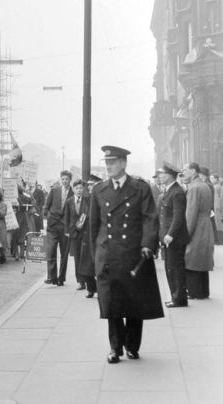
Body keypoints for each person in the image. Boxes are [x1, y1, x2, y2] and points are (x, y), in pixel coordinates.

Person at [90, 146, 163, 364]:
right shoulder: (99, 190)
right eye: (107, 162)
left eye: (112, 162)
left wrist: (148, 244)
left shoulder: (140, 188)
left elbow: (150, 218)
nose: (108, 166)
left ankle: (132, 345)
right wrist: (96, 256)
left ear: (123, 163)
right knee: (110, 303)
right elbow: (94, 226)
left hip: (133, 254)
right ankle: (115, 348)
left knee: (134, 302)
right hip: (109, 255)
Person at [156, 162, 189, 308]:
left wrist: (170, 234)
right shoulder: (170, 191)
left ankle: (179, 299)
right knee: (171, 268)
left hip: (174, 238)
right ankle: (175, 297)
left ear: (170, 175)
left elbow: (178, 216)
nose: (160, 176)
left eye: (162, 174)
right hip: (169, 238)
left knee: (175, 269)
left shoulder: (177, 192)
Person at [181, 162, 214, 299]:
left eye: (185, 170)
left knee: (192, 257)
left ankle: (194, 291)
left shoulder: (194, 188)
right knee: (202, 258)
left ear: (193, 171)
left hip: (197, 225)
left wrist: (185, 235)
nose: (183, 173)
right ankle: (203, 291)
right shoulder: (204, 185)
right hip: (206, 224)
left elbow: (191, 213)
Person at [43, 170, 73, 286]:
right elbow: (46, 206)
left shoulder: (73, 193)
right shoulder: (54, 190)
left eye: (67, 179)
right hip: (53, 226)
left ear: (70, 179)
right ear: (61, 179)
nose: (65, 181)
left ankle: (61, 278)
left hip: (65, 228)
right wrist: (48, 216)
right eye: (63, 179)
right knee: (51, 251)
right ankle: (51, 277)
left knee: (64, 254)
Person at [63, 179, 89, 291]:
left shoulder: (87, 200)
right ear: (73, 189)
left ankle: (88, 280)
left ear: (83, 190)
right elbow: (66, 217)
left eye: (81, 188)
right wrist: (67, 231)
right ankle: (80, 281)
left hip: (85, 232)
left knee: (85, 257)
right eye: (77, 188)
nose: (79, 190)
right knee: (77, 258)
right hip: (74, 233)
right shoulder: (69, 201)